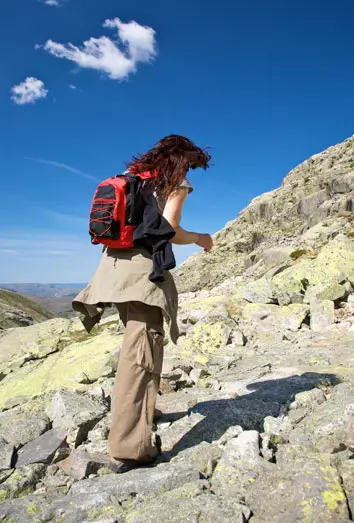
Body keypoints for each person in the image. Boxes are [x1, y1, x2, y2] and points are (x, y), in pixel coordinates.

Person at [72, 134, 213, 473]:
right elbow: (171, 229)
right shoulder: (175, 181)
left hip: (112, 271)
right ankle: (130, 447)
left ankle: (142, 413)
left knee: (137, 347)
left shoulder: (134, 174)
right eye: (192, 163)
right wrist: (199, 239)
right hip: (142, 276)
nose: (192, 170)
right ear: (184, 159)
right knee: (141, 356)